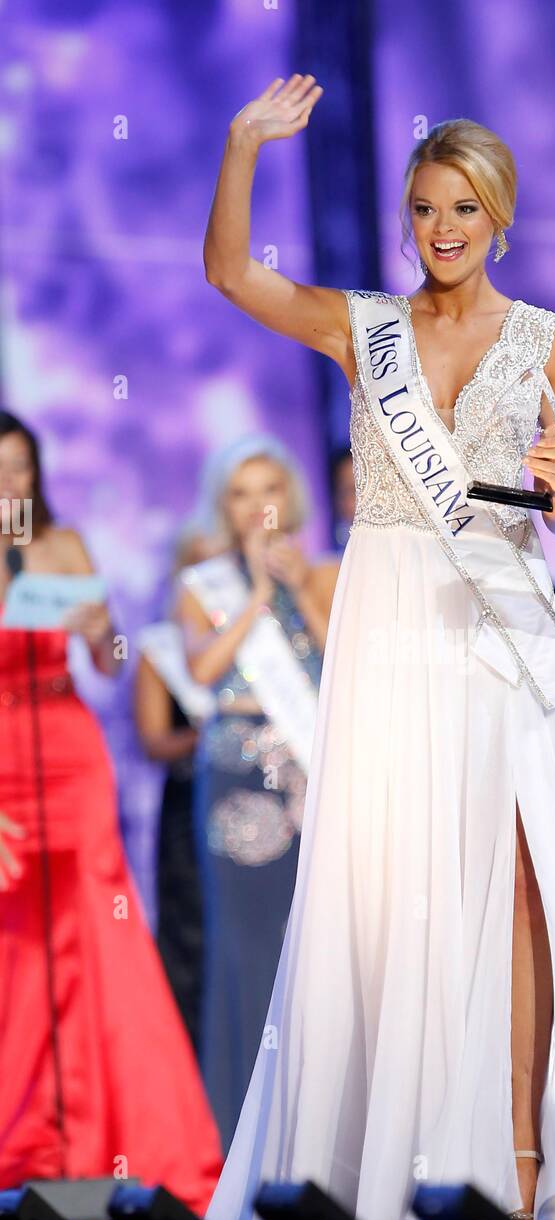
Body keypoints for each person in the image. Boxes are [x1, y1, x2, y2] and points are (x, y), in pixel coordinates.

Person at [201, 76, 555, 1220]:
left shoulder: (550, 342)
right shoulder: (364, 328)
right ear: (406, 218)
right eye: (423, 208)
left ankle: (519, 1157)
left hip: (499, 623)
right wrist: (241, 145)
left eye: (463, 208)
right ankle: (385, 1159)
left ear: (498, 215)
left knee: (518, 886)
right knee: (391, 890)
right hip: (394, 625)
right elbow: (232, 277)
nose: (443, 230)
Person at [0, 410, 222, 1214]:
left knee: (99, 935)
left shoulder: (62, 547)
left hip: (69, 755)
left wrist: (102, 632)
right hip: (2, 773)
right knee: (19, 951)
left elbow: (108, 659)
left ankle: (119, 1141)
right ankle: (27, 1142)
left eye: (20, 468)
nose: (10, 485)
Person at [177, 433, 338, 1151]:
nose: (255, 506)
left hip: (315, 777)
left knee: (318, 948)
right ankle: (244, 1130)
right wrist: (256, 597)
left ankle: (322, 1126)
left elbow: (345, 660)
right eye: (240, 493)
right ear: (224, 504)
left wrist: (298, 588)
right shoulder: (201, 585)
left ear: (289, 499)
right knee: (246, 950)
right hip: (238, 782)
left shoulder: (325, 571)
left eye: (267, 489)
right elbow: (205, 671)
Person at [134, 534, 222, 1055]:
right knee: (190, 934)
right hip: (188, 809)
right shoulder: (162, 646)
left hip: (261, 803)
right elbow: (152, 740)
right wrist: (216, 737)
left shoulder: (256, 636)